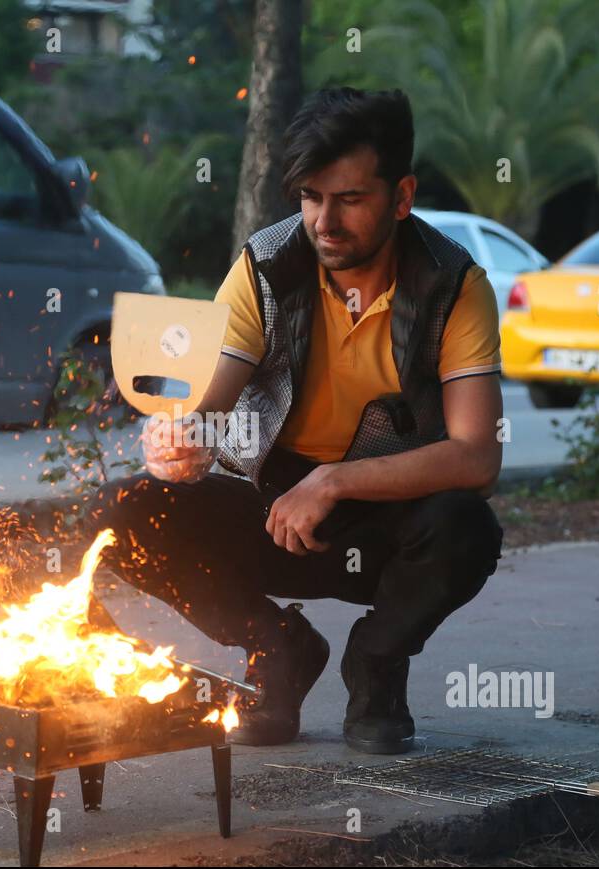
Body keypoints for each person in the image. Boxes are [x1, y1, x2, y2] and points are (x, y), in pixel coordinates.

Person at [85, 87, 505, 754]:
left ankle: (375, 663)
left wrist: (335, 482)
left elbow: (477, 456)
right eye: (311, 196)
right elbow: (209, 400)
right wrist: (183, 438)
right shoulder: (266, 265)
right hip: (271, 513)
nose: (324, 221)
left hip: (391, 526)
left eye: (350, 199)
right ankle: (278, 649)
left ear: (401, 197)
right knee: (126, 509)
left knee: (468, 526)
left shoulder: (455, 286)